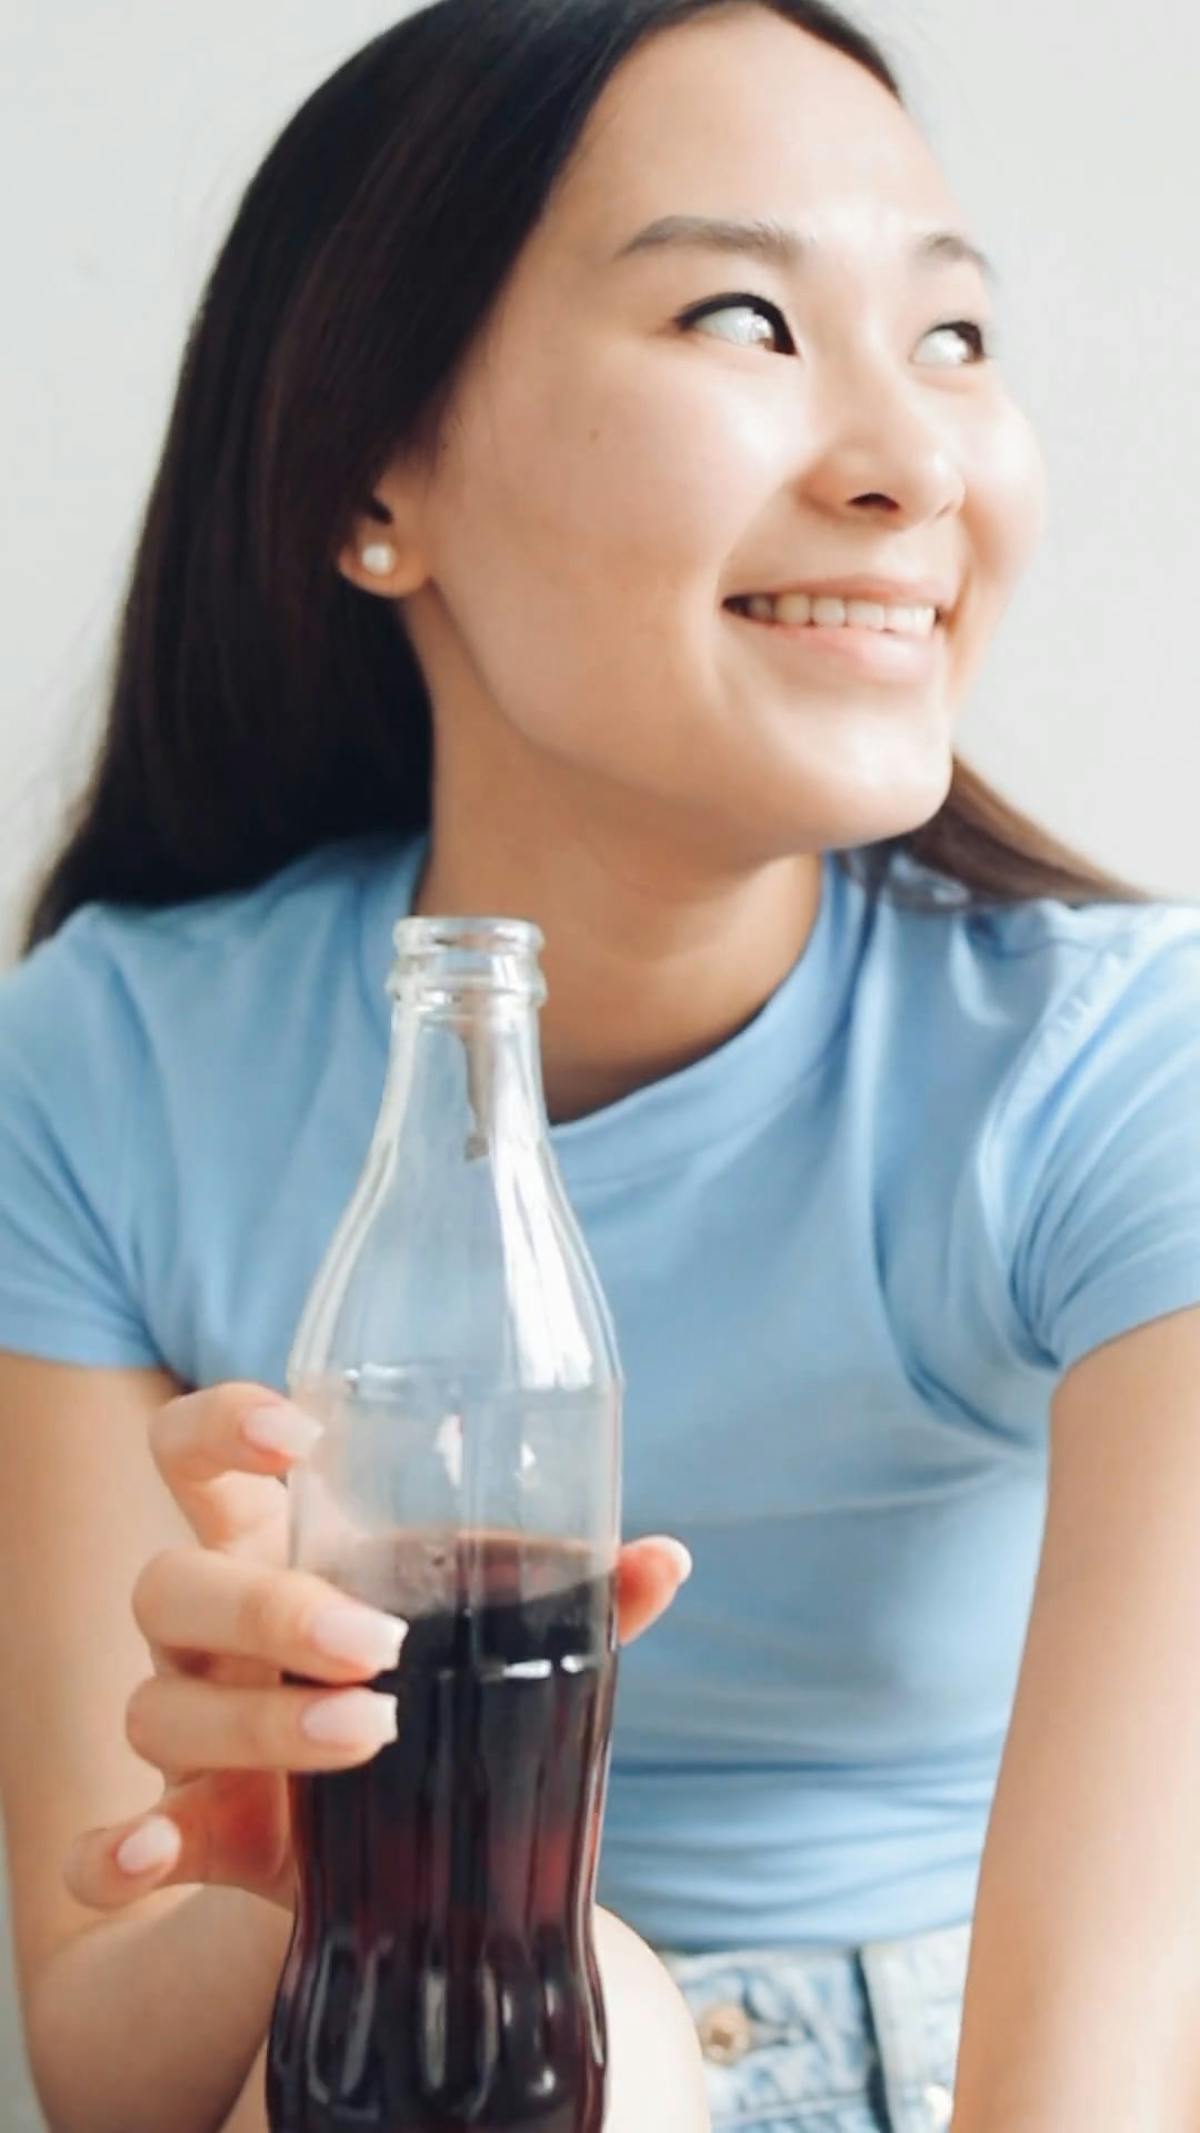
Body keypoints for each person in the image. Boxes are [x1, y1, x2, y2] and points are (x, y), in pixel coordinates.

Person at [3, 0, 1200, 2128]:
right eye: (745, 317)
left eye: (951, 339)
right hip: (409, 2077)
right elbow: (106, 2061)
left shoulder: (1124, 1070)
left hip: (972, 2072)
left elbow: (1094, 2083)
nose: (911, 464)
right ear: (377, 473)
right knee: (529, 2011)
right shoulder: (106, 1060)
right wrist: (300, 1872)